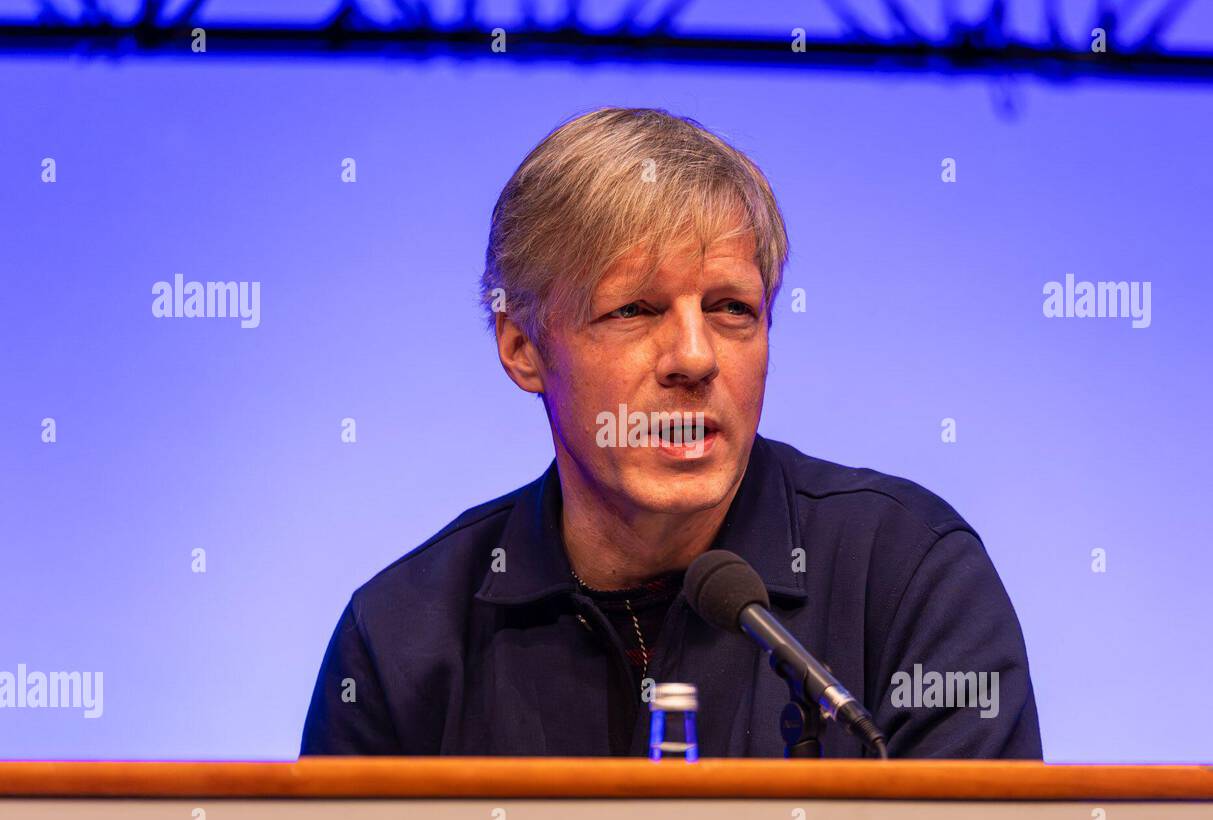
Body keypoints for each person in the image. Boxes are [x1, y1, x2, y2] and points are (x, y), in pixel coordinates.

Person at [301, 107, 1042, 759]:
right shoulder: (402, 634)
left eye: (730, 308)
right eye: (634, 310)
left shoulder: (911, 576)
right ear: (523, 348)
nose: (694, 356)